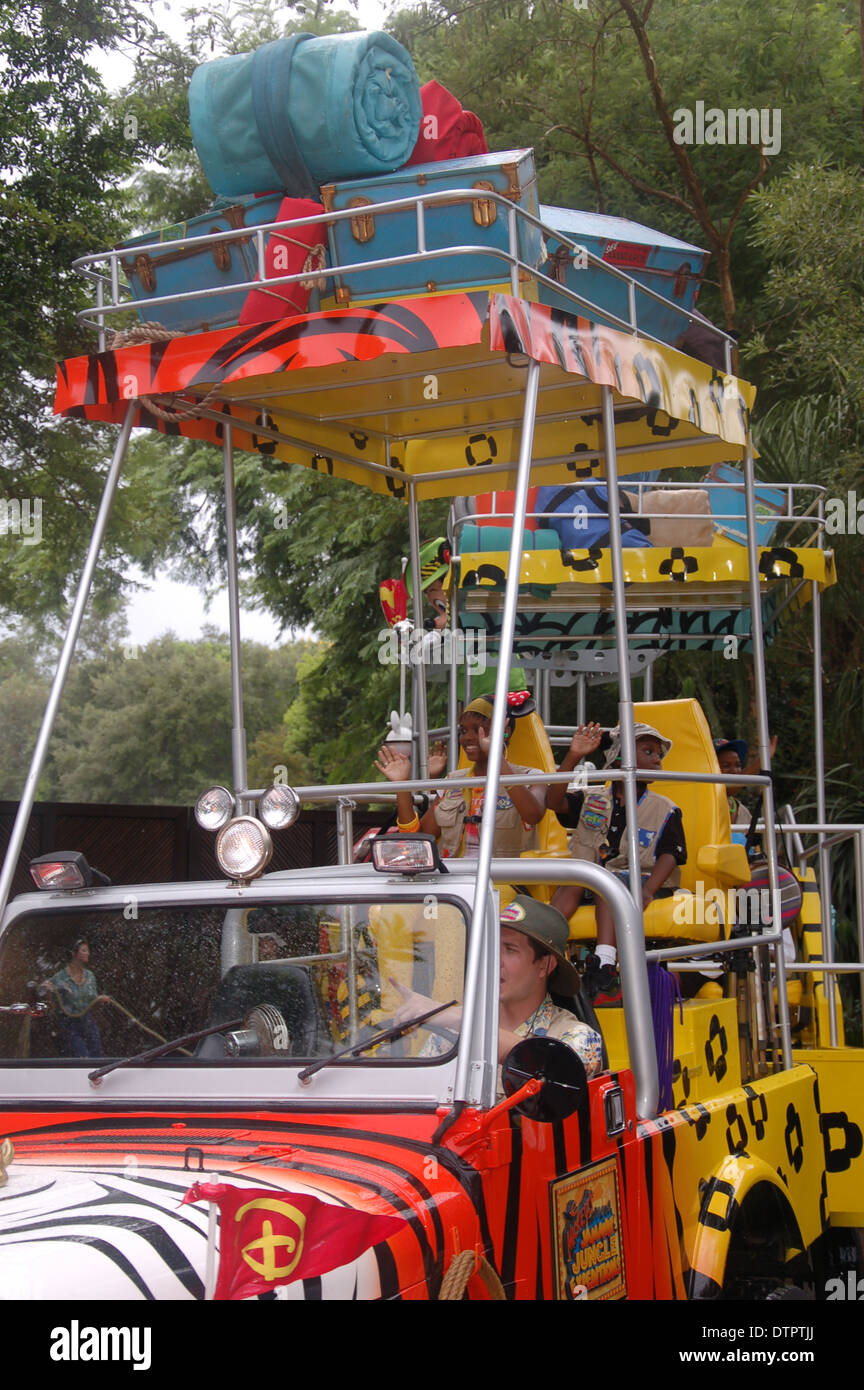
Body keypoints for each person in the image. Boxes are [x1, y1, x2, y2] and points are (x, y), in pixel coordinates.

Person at [390, 896, 604, 1081]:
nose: (495, 960)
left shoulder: (579, 1038)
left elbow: (550, 1069)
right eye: (492, 947)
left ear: (545, 965)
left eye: (510, 950)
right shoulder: (452, 1031)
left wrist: (460, 1019)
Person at [546, 722, 686, 1004]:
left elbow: (671, 854)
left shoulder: (665, 808)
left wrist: (648, 890)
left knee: (604, 881)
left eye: (659, 755)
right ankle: (546, 949)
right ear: (621, 759)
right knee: (576, 881)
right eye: (649, 751)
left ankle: (605, 962)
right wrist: (573, 756)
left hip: (643, 882)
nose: (658, 759)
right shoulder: (592, 799)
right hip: (599, 880)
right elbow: (553, 801)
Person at [375, 693, 547, 858]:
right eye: (464, 731)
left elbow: (533, 815)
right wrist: (402, 785)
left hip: (503, 882)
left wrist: (496, 755)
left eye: (479, 730)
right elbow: (419, 841)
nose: (468, 738)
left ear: (505, 731)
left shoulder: (531, 777)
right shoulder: (453, 781)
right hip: (454, 881)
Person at [42, 938, 109, 1057]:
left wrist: (100, 999)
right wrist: (46, 988)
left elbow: (92, 1000)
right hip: (69, 1024)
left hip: (88, 1022)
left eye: (87, 950)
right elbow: (44, 988)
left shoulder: (90, 976)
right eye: (84, 950)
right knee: (80, 1056)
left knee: (96, 1055)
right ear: (73, 953)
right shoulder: (61, 977)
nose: (88, 953)